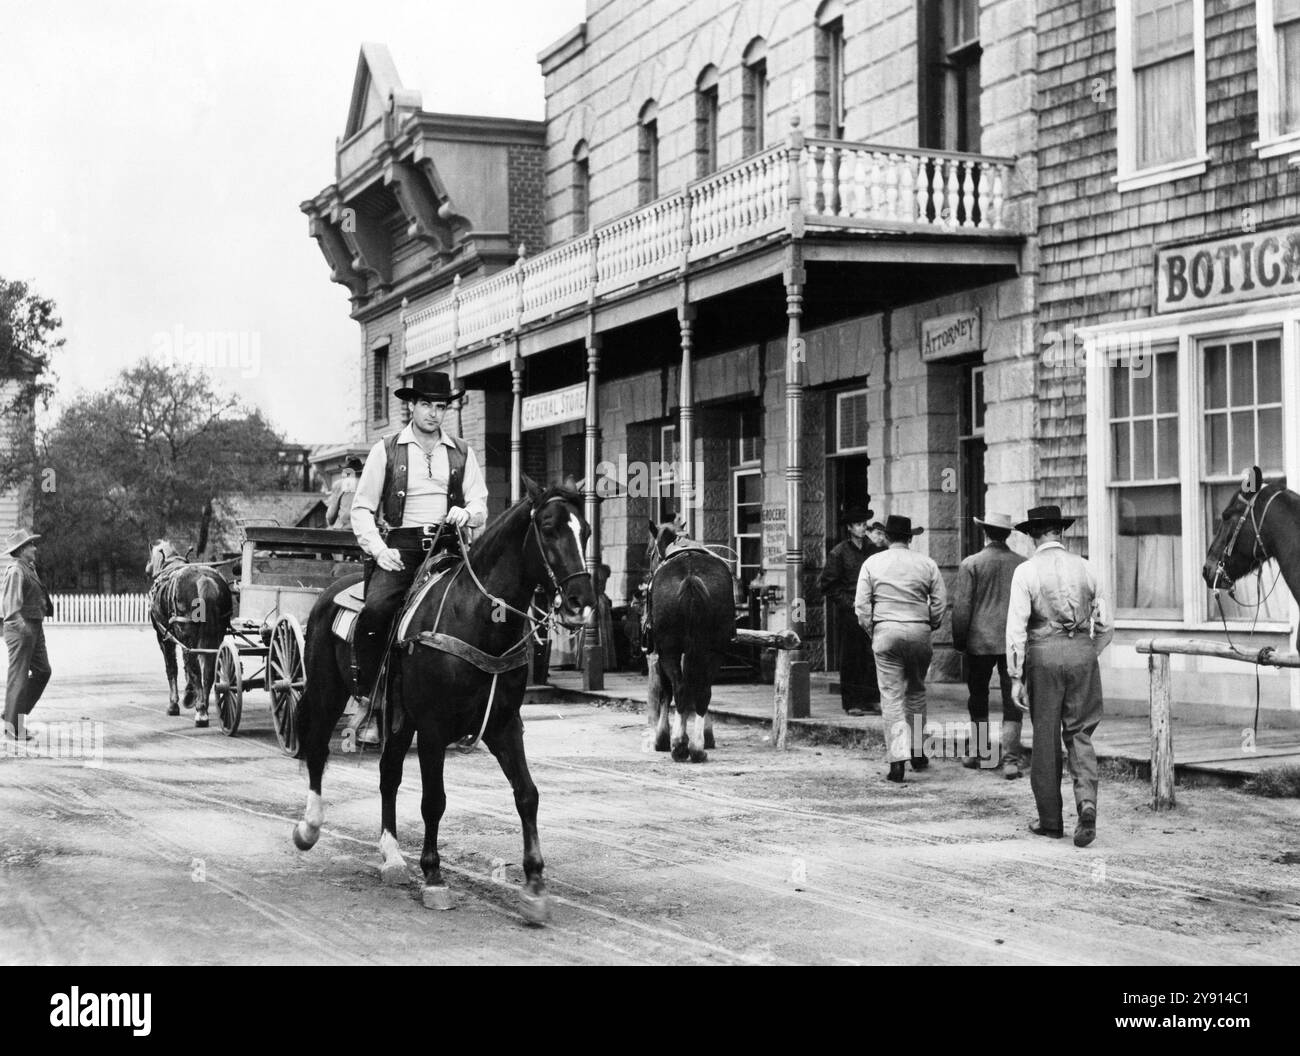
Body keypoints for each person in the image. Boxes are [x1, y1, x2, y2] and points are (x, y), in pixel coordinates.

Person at [350, 369, 489, 740]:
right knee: (377, 610)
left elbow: (480, 502)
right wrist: (379, 552)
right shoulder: (387, 450)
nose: (433, 413)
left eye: (440, 406)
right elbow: (361, 509)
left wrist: (469, 514)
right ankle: (368, 699)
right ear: (412, 405)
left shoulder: (462, 452)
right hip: (402, 550)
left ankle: (479, 706)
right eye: (426, 404)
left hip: (450, 547)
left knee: (482, 608)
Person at [1006, 505, 1113, 848]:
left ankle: (1051, 821)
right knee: (1080, 732)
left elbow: (1016, 631)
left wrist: (1015, 676)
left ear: (1033, 536)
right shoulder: (1087, 568)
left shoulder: (1025, 572)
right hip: (1082, 653)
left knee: (1046, 737)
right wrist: (1086, 652)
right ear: (1060, 533)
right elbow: (1107, 624)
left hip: (1043, 657)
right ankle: (1087, 803)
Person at [855, 515, 947, 783]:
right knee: (916, 691)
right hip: (919, 631)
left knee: (892, 697)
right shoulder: (926, 563)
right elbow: (940, 602)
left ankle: (898, 761)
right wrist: (929, 624)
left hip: (886, 630)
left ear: (886, 537)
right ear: (910, 537)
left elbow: (861, 606)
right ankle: (918, 752)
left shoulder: (872, 563)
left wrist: (874, 630)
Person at [951, 511, 1027, 775]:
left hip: (979, 642)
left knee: (978, 697)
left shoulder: (971, 564)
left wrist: (960, 641)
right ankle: (1010, 761)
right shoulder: (1022, 563)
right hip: (1013, 643)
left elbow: (962, 608)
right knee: (1013, 700)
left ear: (984, 533)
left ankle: (979, 752)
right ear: (1007, 535)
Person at [817, 504, 883, 715]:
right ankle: (852, 702)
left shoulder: (874, 550)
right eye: (857, 524)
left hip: (874, 610)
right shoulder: (839, 553)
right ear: (849, 528)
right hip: (851, 613)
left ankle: (872, 699)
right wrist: (849, 602)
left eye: (864, 524)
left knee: (872, 656)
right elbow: (828, 585)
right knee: (852, 657)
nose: (862, 528)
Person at [1, 528, 53, 742]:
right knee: (19, 678)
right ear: (22, 550)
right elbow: (10, 608)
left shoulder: (27, 567)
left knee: (43, 671)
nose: (35, 547)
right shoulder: (16, 570)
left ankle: (12, 713)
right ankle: (14, 726)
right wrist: (23, 630)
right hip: (20, 627)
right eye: (31, 545)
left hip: (34, 626)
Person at [326, 456, 364, 529]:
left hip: (346, 528)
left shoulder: (342, 484)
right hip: (366, 527)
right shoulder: (368, 484)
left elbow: (330, 517)